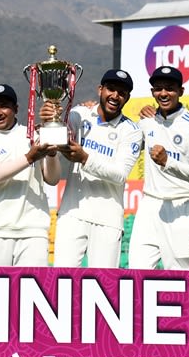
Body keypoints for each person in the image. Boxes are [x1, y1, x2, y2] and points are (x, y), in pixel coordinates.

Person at [54, 69, 143, 268]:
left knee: (103, 284)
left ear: (127, 97)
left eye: (122, 93)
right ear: (100, 89)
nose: (115, 96)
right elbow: (57, 133)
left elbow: (119, 175)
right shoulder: (79, 114)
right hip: (72, 213)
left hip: (108, 219)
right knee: (61, 281)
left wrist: (85, 158)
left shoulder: (132, 131)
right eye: (111, 89)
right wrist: (52, 113)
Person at [0, 84, 60, 266]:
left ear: (16, 109)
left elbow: (53, 178)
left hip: (33, 231)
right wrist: (30, 157)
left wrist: (51, 153)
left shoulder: (33, 135)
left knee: (31, 294)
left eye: (4, 106)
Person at [129, 66, 189, 271]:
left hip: (183, 204)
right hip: (150, 205)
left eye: (170, 88)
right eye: (158, 89)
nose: (163, 94)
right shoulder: (146, 122)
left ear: (181, 91)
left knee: (182, 275)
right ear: (152, 93)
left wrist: (168, 162)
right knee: (137, 272)